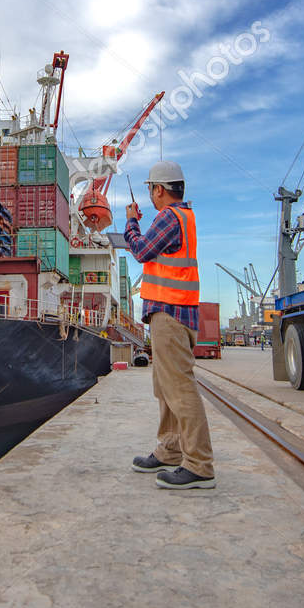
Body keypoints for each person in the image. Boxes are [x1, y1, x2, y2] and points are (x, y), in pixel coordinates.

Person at [122, 159, 214, 490]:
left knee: (179, 388)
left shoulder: (170, 216)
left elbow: (141, 250)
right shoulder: (182, 217)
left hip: (171, 314)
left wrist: (131, 222)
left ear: (159, 190)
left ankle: (200, 465)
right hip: (172, 312)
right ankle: (171, 450)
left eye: (150, 188)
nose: (150, 194)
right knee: (165, 387)